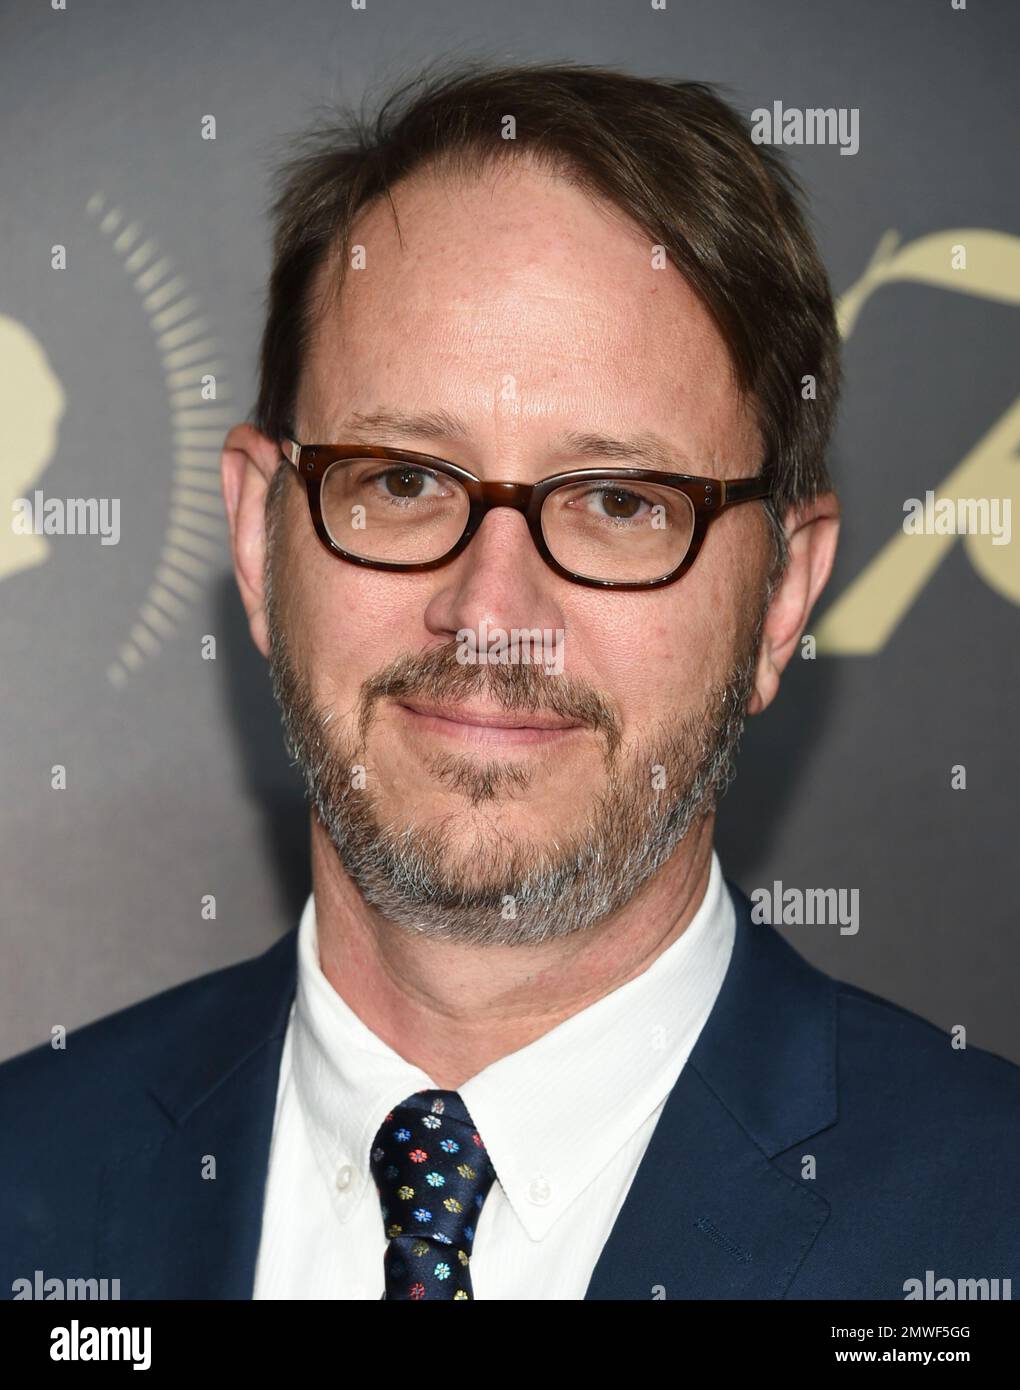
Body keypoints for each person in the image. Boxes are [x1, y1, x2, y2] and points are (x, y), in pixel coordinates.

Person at [2, 60, 1018, 1302]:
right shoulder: (25, 1175)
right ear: (262, 540)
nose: (491, 615)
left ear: (780, 599)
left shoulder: (988, 1225)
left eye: (620, 502)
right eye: (403, 479)